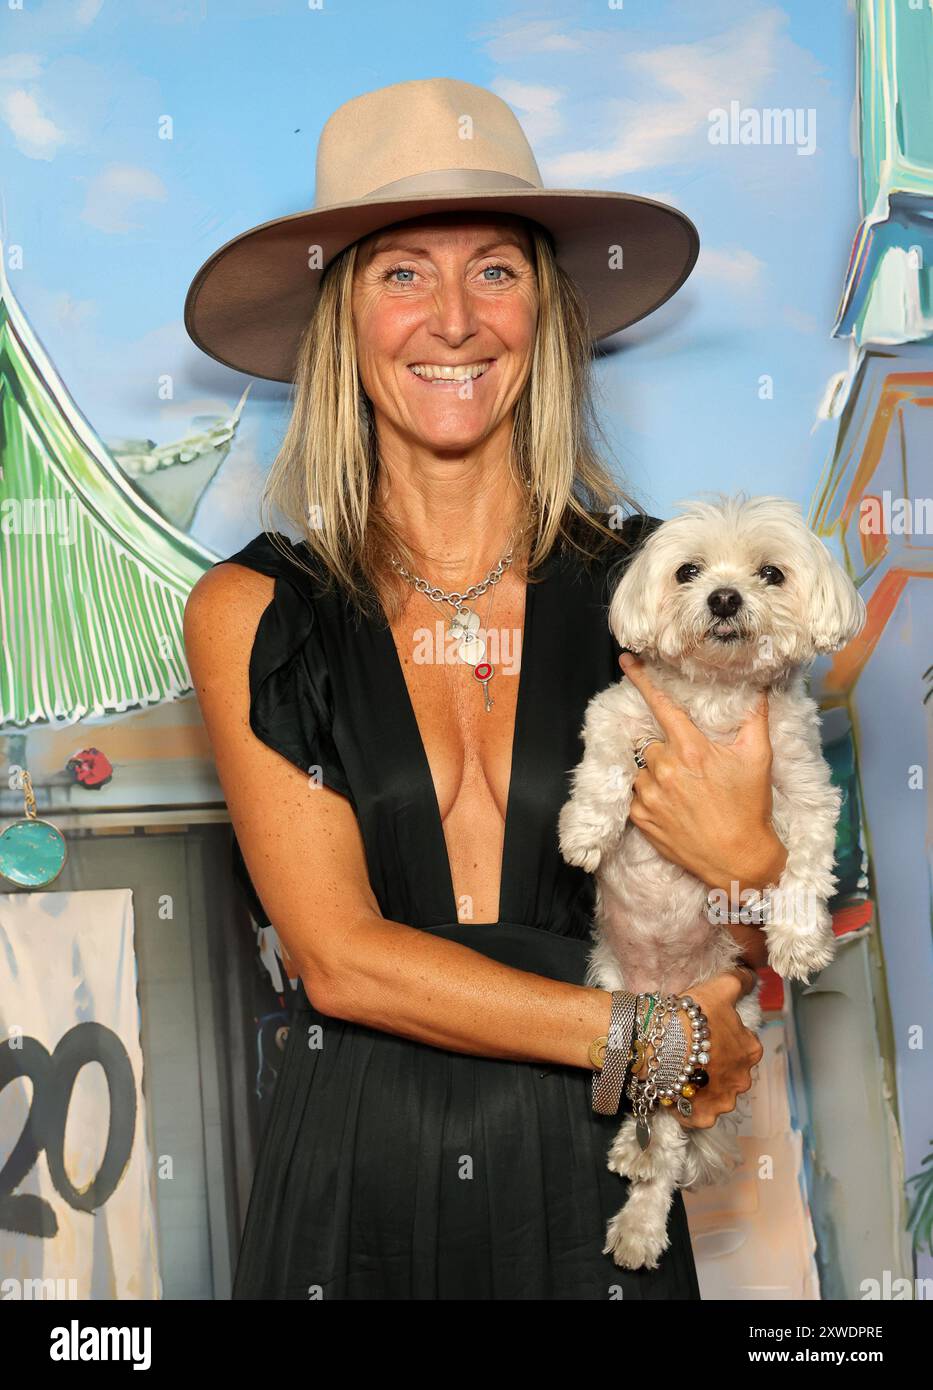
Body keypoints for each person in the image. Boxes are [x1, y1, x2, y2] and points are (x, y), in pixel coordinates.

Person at [183, 78, 781, 1300]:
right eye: (402, 272)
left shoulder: (668, 586)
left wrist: (752, 866)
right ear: (339, 321)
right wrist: (643, 1036)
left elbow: (758, 942)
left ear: (548, 316)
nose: (454, 320)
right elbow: (342, 958)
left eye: (497, 272)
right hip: (351, 1184)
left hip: (599, 1178)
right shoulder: (252, 610)